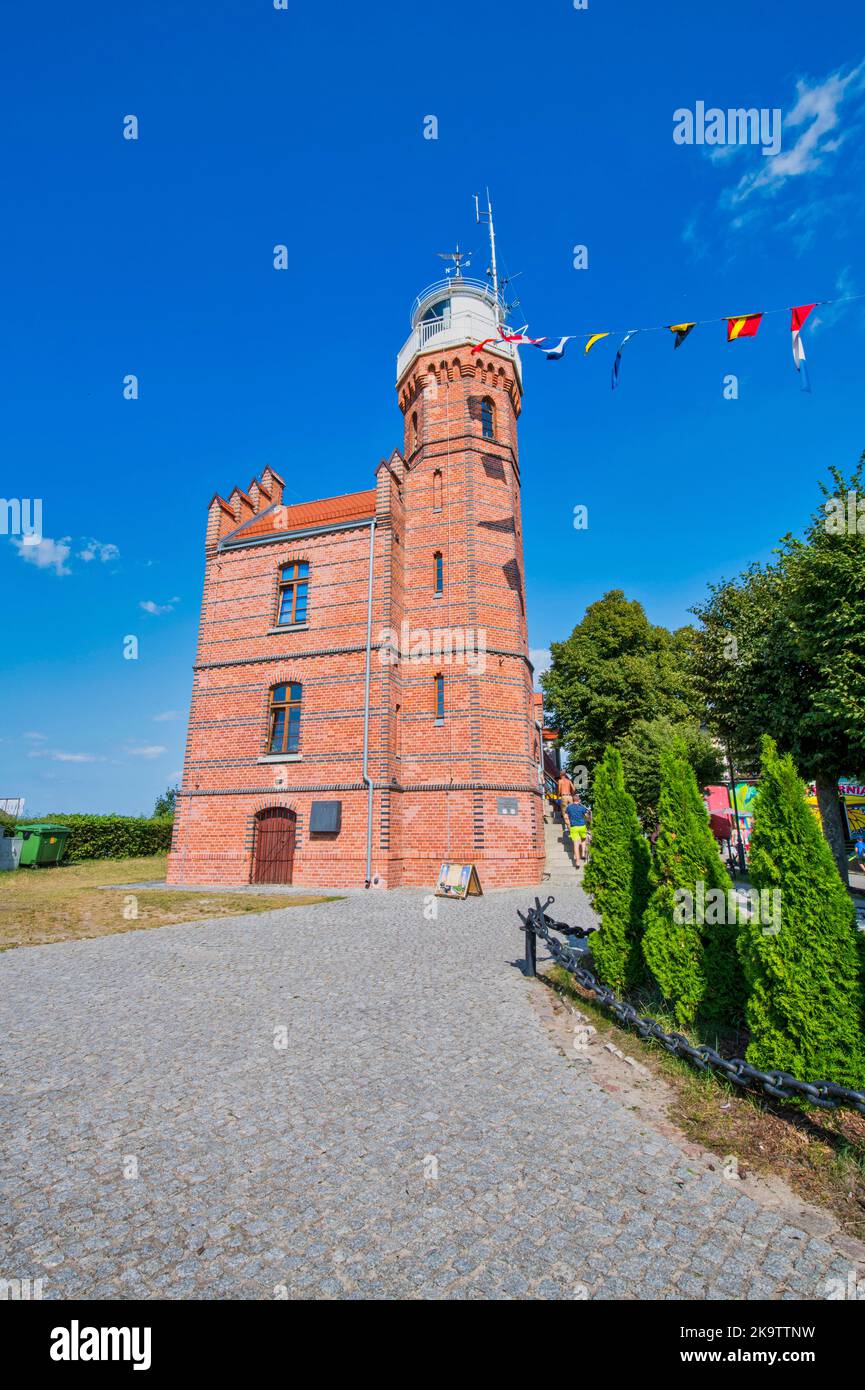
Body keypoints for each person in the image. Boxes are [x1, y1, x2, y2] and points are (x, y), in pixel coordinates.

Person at [566, 796, 592, 865]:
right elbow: (587, 817)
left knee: (575, 844)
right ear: (579, 800)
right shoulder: (582, 807)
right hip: (582, 826)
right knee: (583, 839)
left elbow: (566, 817)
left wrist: (568, 825)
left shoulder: (569, 807)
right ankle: (583, 853)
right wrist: (589, 816)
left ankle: (577, 861)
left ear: (573, 800)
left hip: (573, 827)